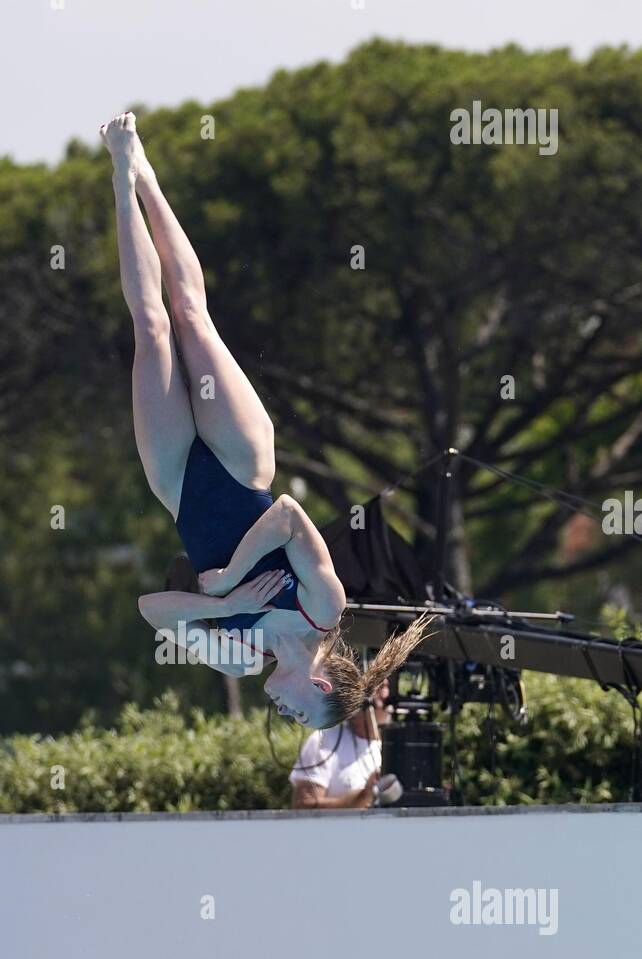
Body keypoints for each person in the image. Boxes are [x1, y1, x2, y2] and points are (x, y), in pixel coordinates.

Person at [101, 111, 430, 728]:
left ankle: (121, 181)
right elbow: (286, 515)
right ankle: (147, 176)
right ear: (324, 684)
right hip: (241, 464)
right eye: (303, 715)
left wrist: (214, 604)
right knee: (191, 317)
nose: (286, 715)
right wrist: (230, 578)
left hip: (179, 488)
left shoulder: (238, 659)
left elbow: (152, 609)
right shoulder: (322, 608)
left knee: (149, 331)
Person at [290, 679, 392, 810]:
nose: (387, 695)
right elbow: (303, 806)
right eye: (380, 687)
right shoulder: (324, 740)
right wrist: (364, 795)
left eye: (389, 687)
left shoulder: (395, 744)